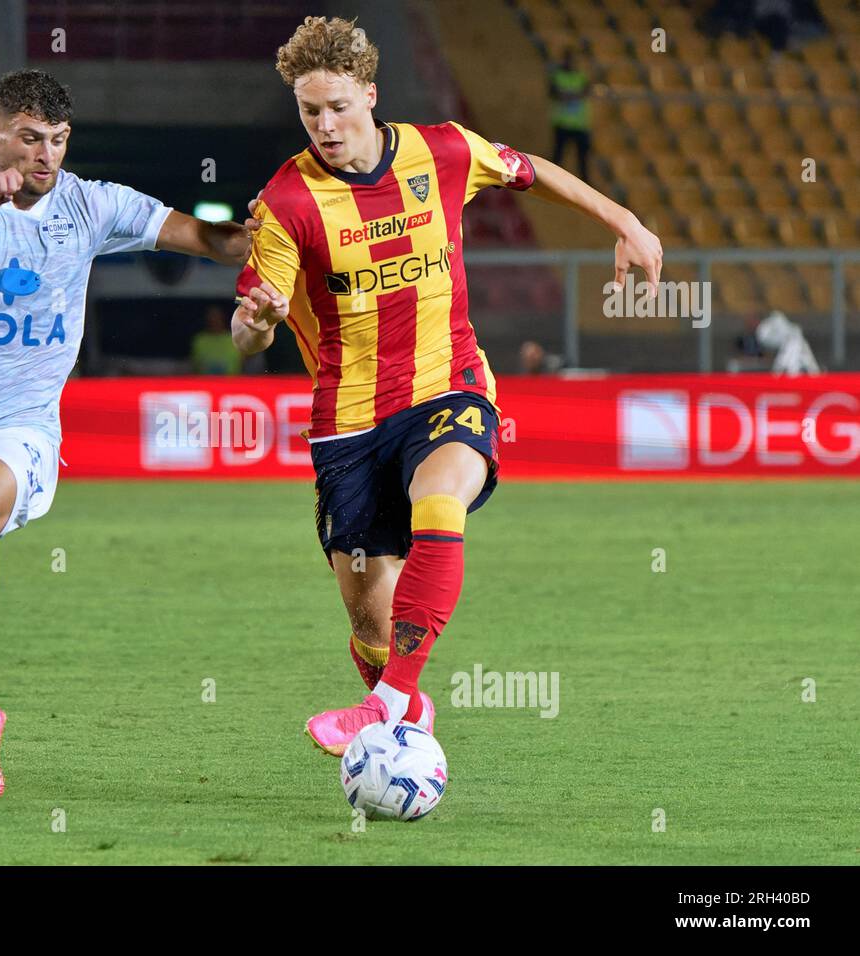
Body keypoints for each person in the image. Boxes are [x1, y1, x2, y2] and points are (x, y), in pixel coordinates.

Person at [233, 17, 661, 756]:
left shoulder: (442, 150)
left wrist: (624, 220)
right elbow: (249, 334)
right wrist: (260, 322)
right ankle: (403, 708)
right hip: (349, 426)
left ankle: (391, 700)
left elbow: (530, 166)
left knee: (441, 498)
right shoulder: (286, 205)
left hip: (448, 387)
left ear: (370, 94)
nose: (326, 126)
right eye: (310, 112)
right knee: (369, 624)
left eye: (338, 106)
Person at [0, 69, 255, 797]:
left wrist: (262, 231)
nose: (46, 156)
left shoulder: (92, 206)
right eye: (31, 139)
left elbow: (204, 238)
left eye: (59, 141)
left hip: (20, 429)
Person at [549, 49, 590, 182]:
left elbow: (586, 91)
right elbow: (555, 94)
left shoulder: (581, 77)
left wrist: (567, 95)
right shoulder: (557, 76)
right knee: (558, 157)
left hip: (580, 125)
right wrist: (575, 94)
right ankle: (551, 181)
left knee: (582, 160)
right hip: (563, 124)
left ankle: (586, 184)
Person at [189, 304, 241, 374]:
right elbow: (194, 365)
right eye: (211, 317)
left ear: (223, 318)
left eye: (217, 317)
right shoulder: (200, 340)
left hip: (231, 382)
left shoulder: (234, 338)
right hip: (205, 382)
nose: (214, 320)